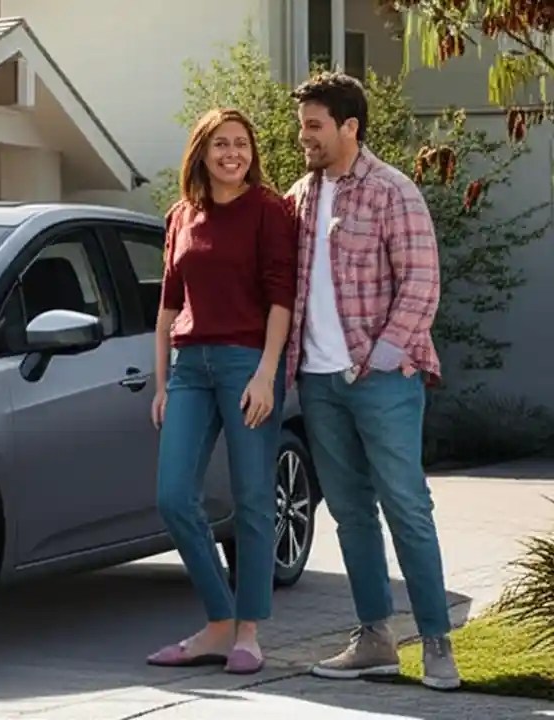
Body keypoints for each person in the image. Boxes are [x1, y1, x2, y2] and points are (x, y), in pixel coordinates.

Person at [282, 71, 460, 691]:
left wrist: (380, 358)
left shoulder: (393, 191)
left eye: (313, 124)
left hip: (380, 378)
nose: (303, 135)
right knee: (352, 514)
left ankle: (437, 642)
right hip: (318, 380)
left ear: (349, 126)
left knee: (407, 507)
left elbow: (421, 284)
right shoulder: (300, 196)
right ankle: (374, 638)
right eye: (302, 123)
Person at [146, 107, 297, 675]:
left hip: (245, 366)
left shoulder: (269, 211)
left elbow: (281, 297)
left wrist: (266, 372)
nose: (233, 153)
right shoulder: (181, 216)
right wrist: (161, 384)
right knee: (172, 495)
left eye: (242, 144)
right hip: (189, 367)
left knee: (253, 498)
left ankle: (248, 632)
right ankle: (218, 621)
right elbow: (166, 307)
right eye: (221, 145)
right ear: (201, 154)